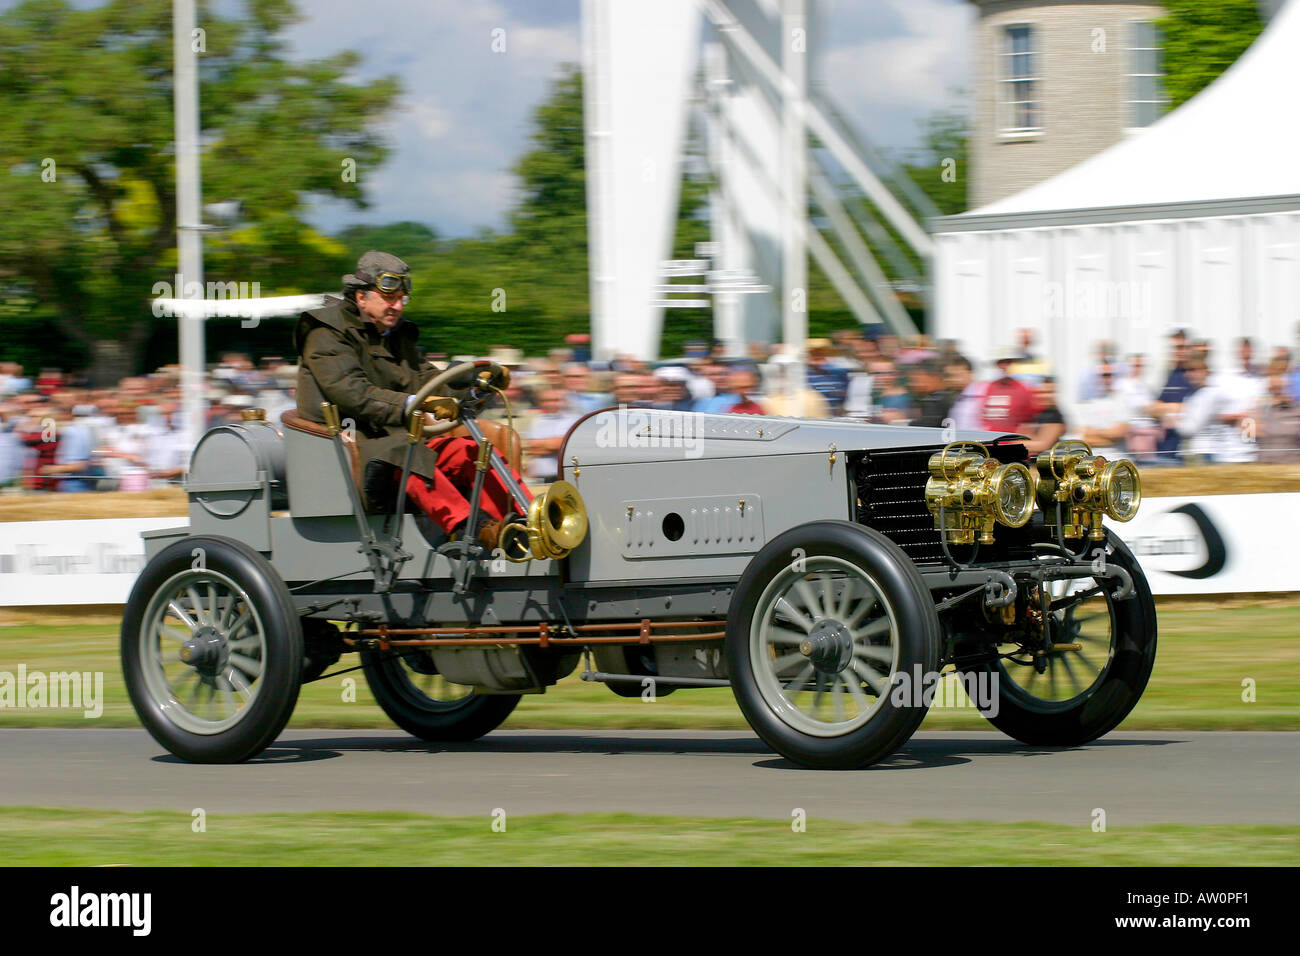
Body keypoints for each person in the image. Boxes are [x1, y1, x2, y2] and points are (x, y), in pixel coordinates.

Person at [295, 251, 525, 546]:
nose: (397, 306)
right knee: (408, 455)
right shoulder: (325, 330)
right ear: (361, 296)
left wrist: (476, 387)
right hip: (350, 446)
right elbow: (352, 393)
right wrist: (415, 405)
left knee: (470, 451)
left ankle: (526, 524)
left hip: (402, 440)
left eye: (402, 298)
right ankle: (475, 530)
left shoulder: (394, 334)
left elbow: (427, 380)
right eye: (389, 297)